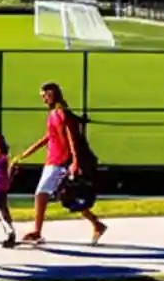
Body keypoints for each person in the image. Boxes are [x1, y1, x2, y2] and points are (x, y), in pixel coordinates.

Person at [12, 82, 107, 246]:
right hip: (54, 159)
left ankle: (37, 231)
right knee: (67, 196)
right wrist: (26, 153)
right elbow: (48, 137)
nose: (43, 100)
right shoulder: (54, 113)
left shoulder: (62, 113)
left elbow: (72, 138)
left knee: (42, 193)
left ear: (52, 94)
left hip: (60, 161)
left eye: (44, 96)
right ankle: (96, 224)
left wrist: (75, 161)